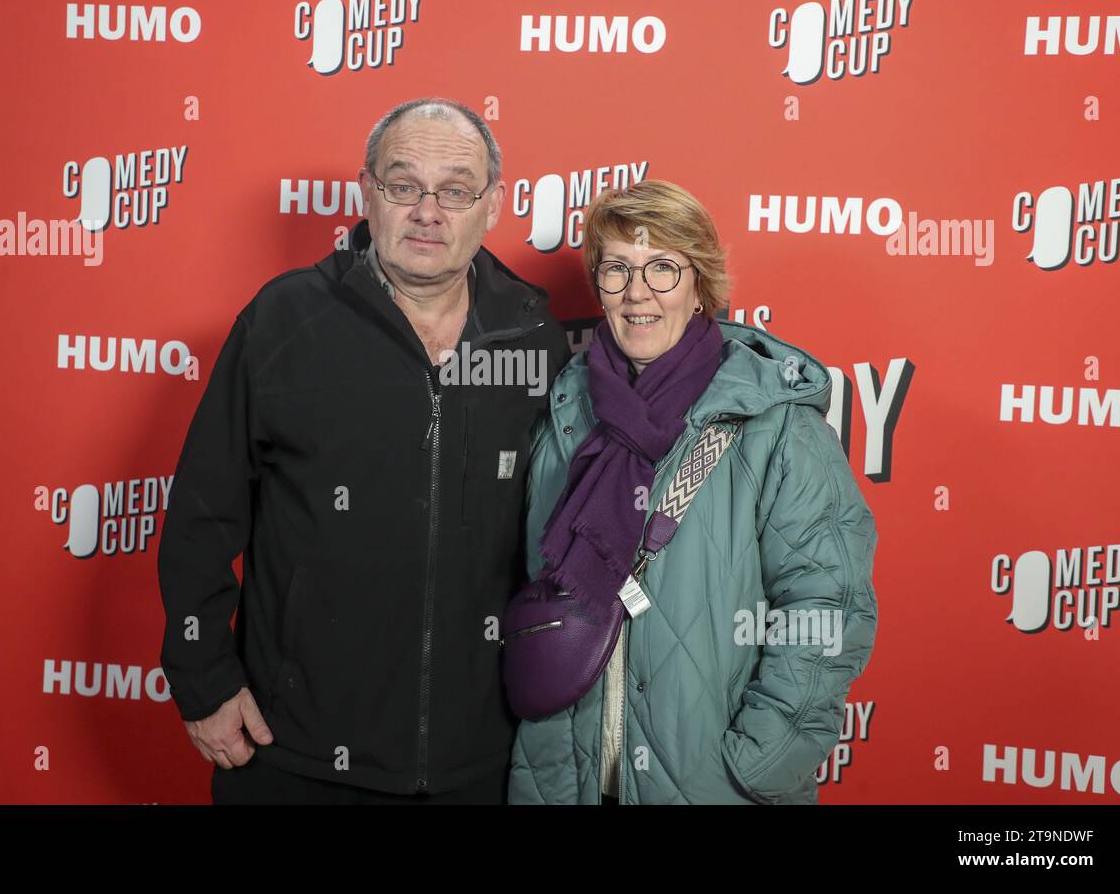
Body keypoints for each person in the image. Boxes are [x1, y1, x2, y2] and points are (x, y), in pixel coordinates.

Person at [157, 97, 571, 804]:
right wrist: (203, 681)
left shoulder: (533, 335)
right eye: (403, 185)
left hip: (478, 764)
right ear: (366, 192)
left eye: (456, 190)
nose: (428, 211)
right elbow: (201, 513)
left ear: (493, 205)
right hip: (294, 754)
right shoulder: (284, 320)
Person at [507, 179, 878, 804]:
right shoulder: (567, 413)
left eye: (662, 268)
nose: (638, 292)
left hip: (710, 783)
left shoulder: (775, 423)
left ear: (700, 284)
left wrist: (760, 762)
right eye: (617, 269)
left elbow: (827, 604)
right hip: (565, 780)